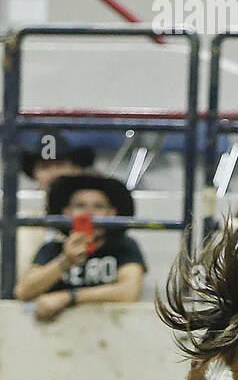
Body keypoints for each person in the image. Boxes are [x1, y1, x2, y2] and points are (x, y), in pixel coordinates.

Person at [13, 174, 145, 321]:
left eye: (98, 206)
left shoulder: (124, 246)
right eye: (80, 206)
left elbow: (129, 292)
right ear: (66, 212)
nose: (89, 214)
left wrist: (69, 297)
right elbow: (23, 291)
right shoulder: (53, 248)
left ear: (112, 213)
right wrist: (65, 261)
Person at [20, 130, 95, 194]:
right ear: (34, 173)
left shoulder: (95, 202)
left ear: (76, 169)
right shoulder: (20, 207)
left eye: (60, 165)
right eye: (44, 167)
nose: (53, 174)